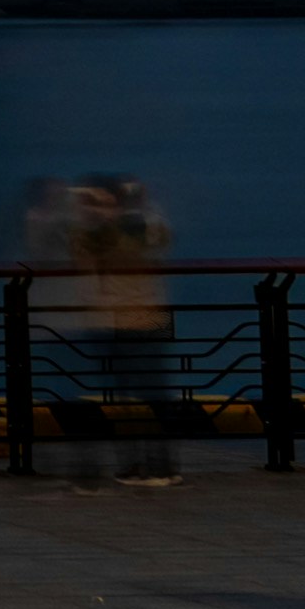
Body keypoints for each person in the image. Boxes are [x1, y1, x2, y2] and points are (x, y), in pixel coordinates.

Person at [62, 176, 176, 487]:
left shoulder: (134, 226)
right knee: (126, 394)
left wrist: (111, 215)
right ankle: (136, 464)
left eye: (100, 201)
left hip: (140, 317)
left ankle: (156, 465)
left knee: (150, 393)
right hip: (117, 318)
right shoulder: (92, 231)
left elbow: (136, 242)